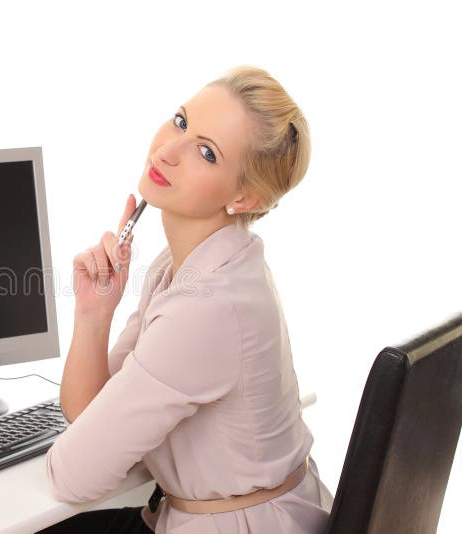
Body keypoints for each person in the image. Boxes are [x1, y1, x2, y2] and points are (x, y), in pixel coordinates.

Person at [38, 66, 334, 534]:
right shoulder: (188, 265)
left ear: (245, 196)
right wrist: (95, 314)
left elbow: (70, 476)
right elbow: (87, 410)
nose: (168, 150)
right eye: (181, 121)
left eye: (206, 152)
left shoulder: (207, 306)